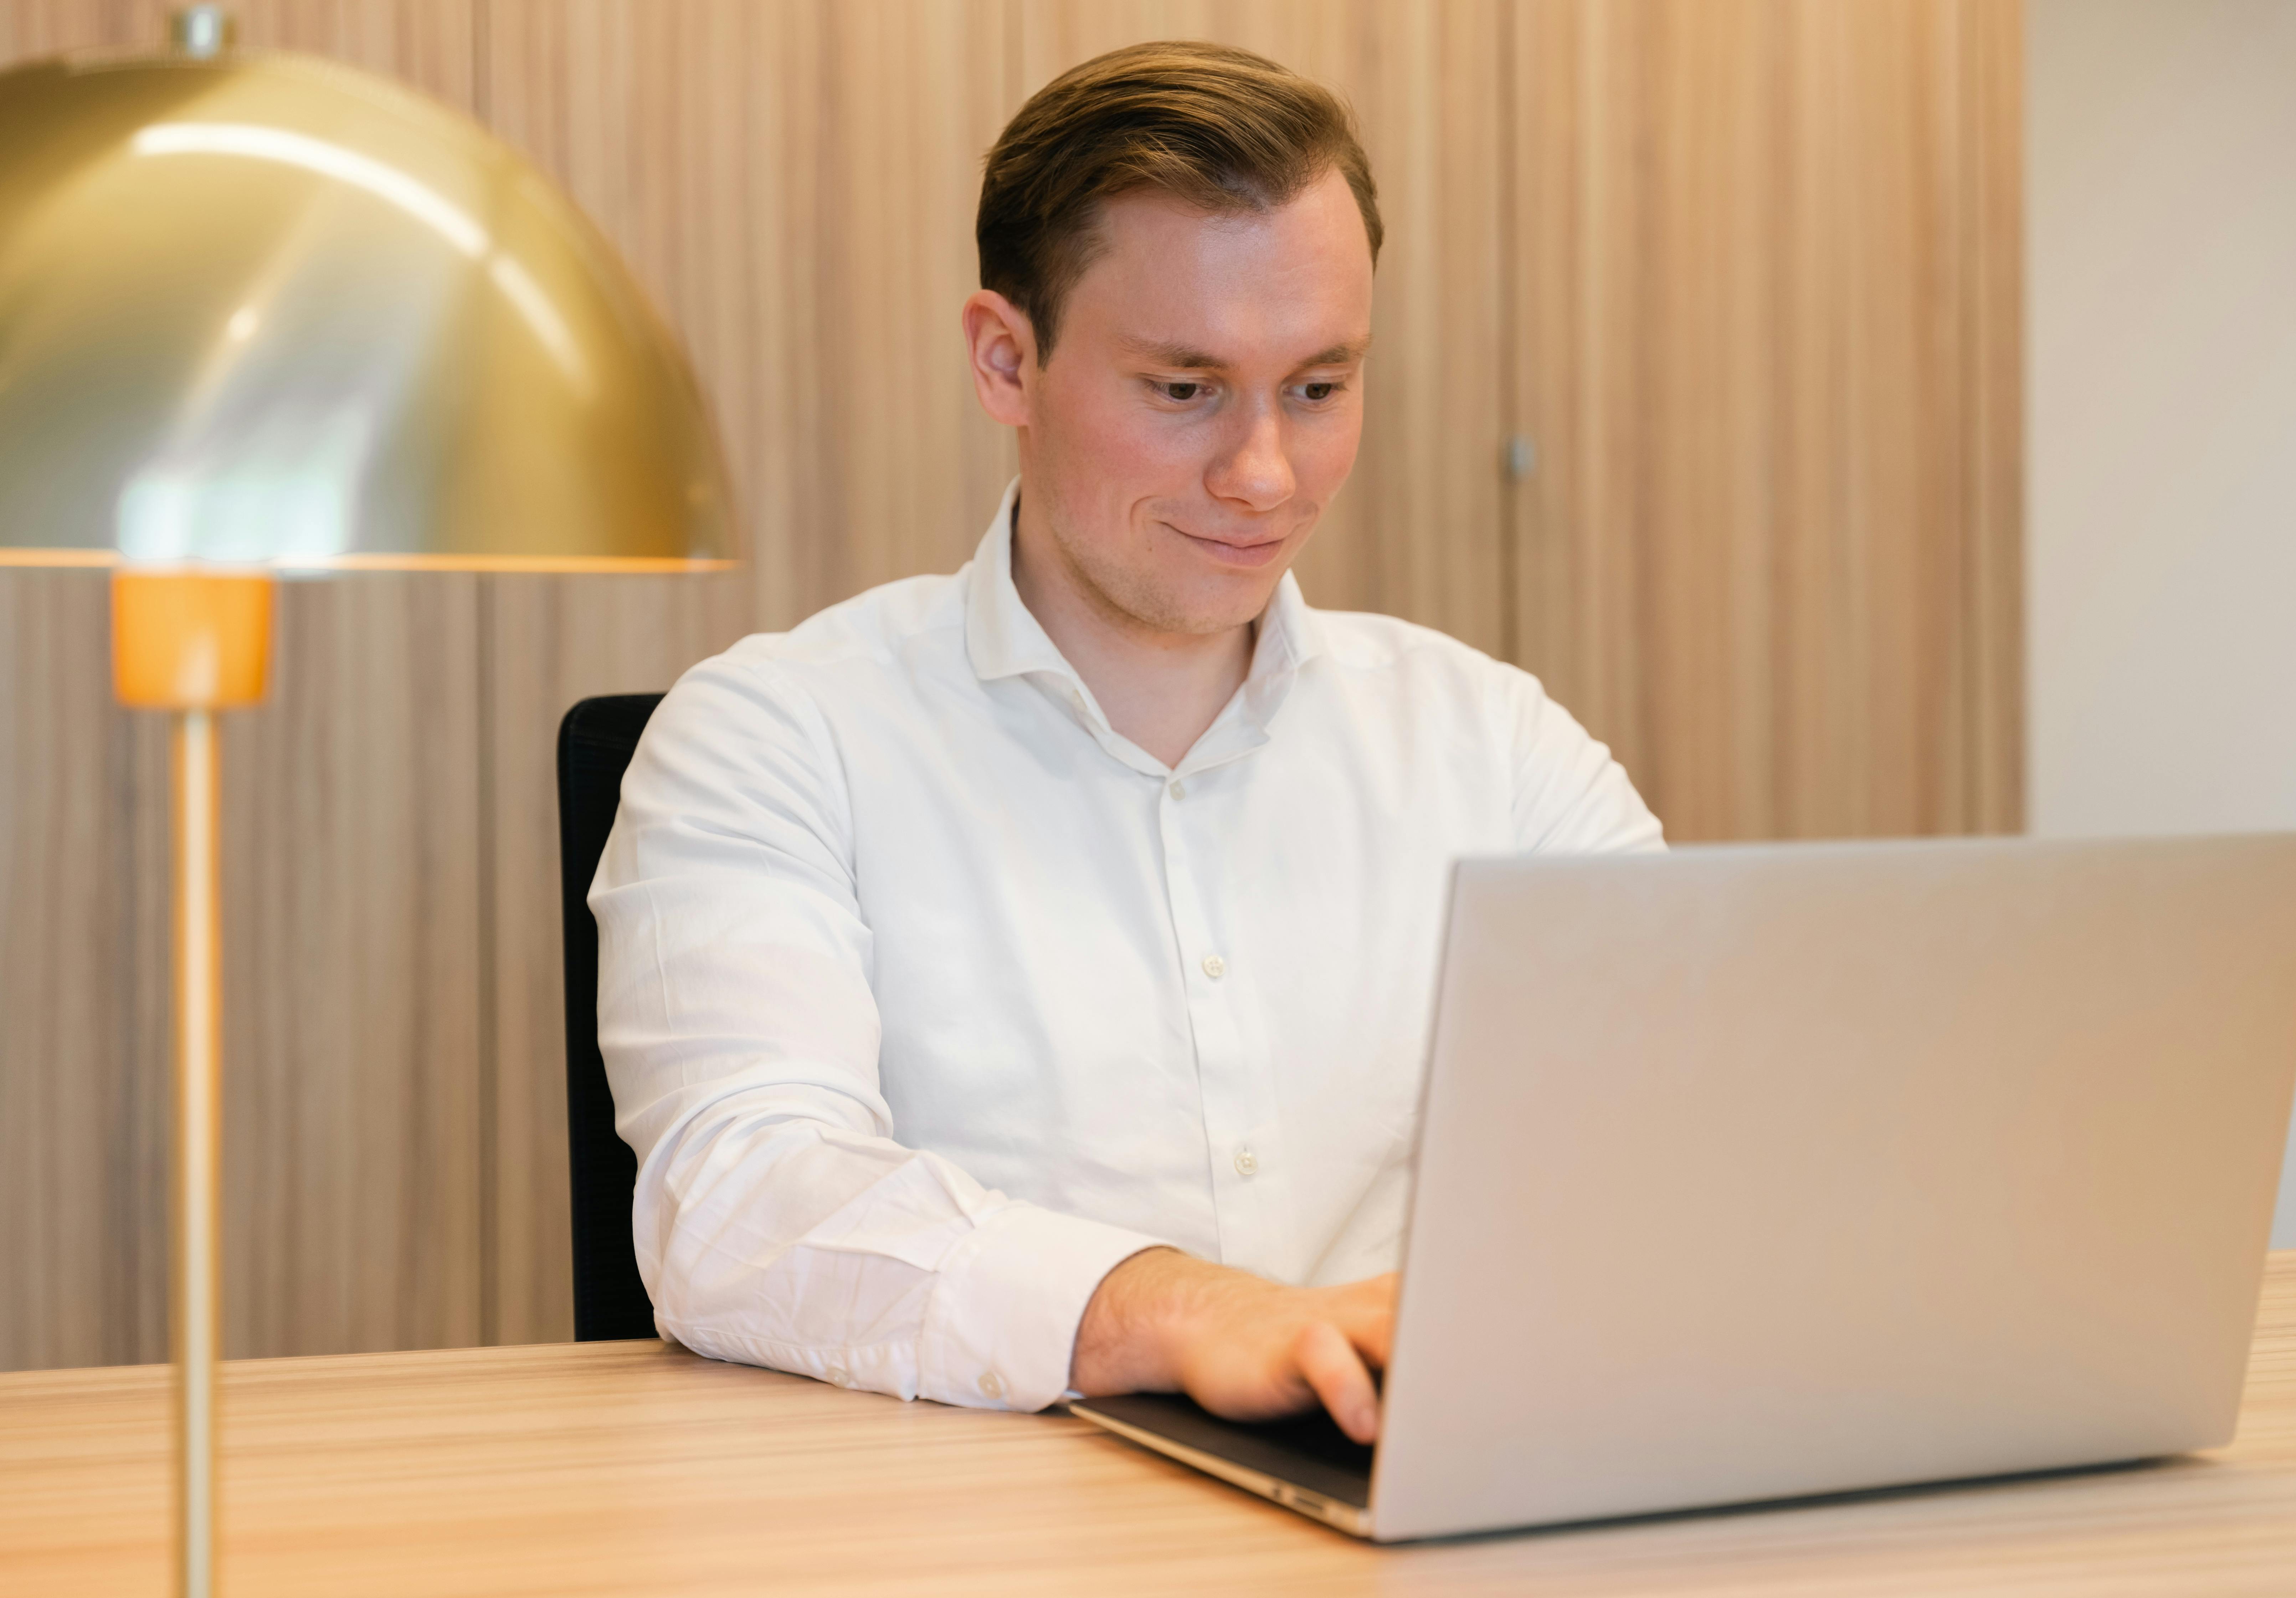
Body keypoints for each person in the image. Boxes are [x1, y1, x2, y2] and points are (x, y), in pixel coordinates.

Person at [591, 40, 1661, 1447]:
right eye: (1184, 389)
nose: (1264, 473)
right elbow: (736, 1200)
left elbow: (1687, 1133)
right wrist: (1176, 1306)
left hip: (1417, 1512)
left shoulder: (1495, 746)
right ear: (1004, 358)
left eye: (1320, 387)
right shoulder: (777, 739)